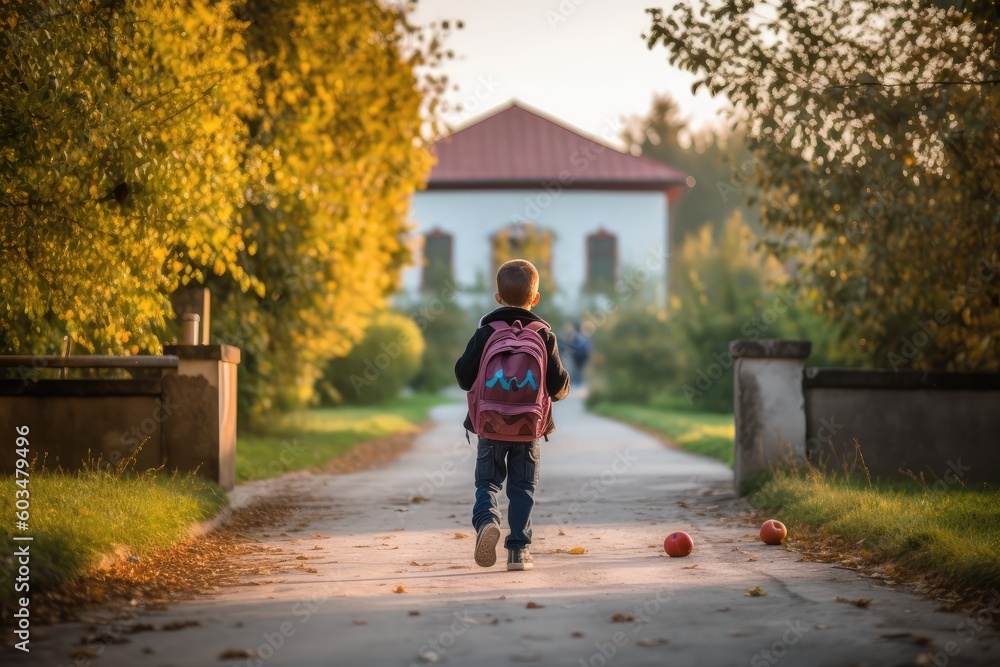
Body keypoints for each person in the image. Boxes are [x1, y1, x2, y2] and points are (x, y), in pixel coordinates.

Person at [455, 259, 571, 571]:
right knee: (522, 488)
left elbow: (464, 377)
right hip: (528, 428)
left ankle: (487, 522)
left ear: (498, 298)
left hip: (490, 426)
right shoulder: (543, 333)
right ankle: (518, 551)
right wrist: (561, 392)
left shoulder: (486, 330)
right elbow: (558, 386)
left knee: (487, 484)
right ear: (535, 298)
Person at [568, 322, 592, 387]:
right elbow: (589, 345)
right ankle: (579, 383)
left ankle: (578, 384)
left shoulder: (574, 336)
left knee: (577, 369)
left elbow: (571, 346)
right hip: (583, 355)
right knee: (580, 370)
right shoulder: (584, 335)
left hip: (578, 356)